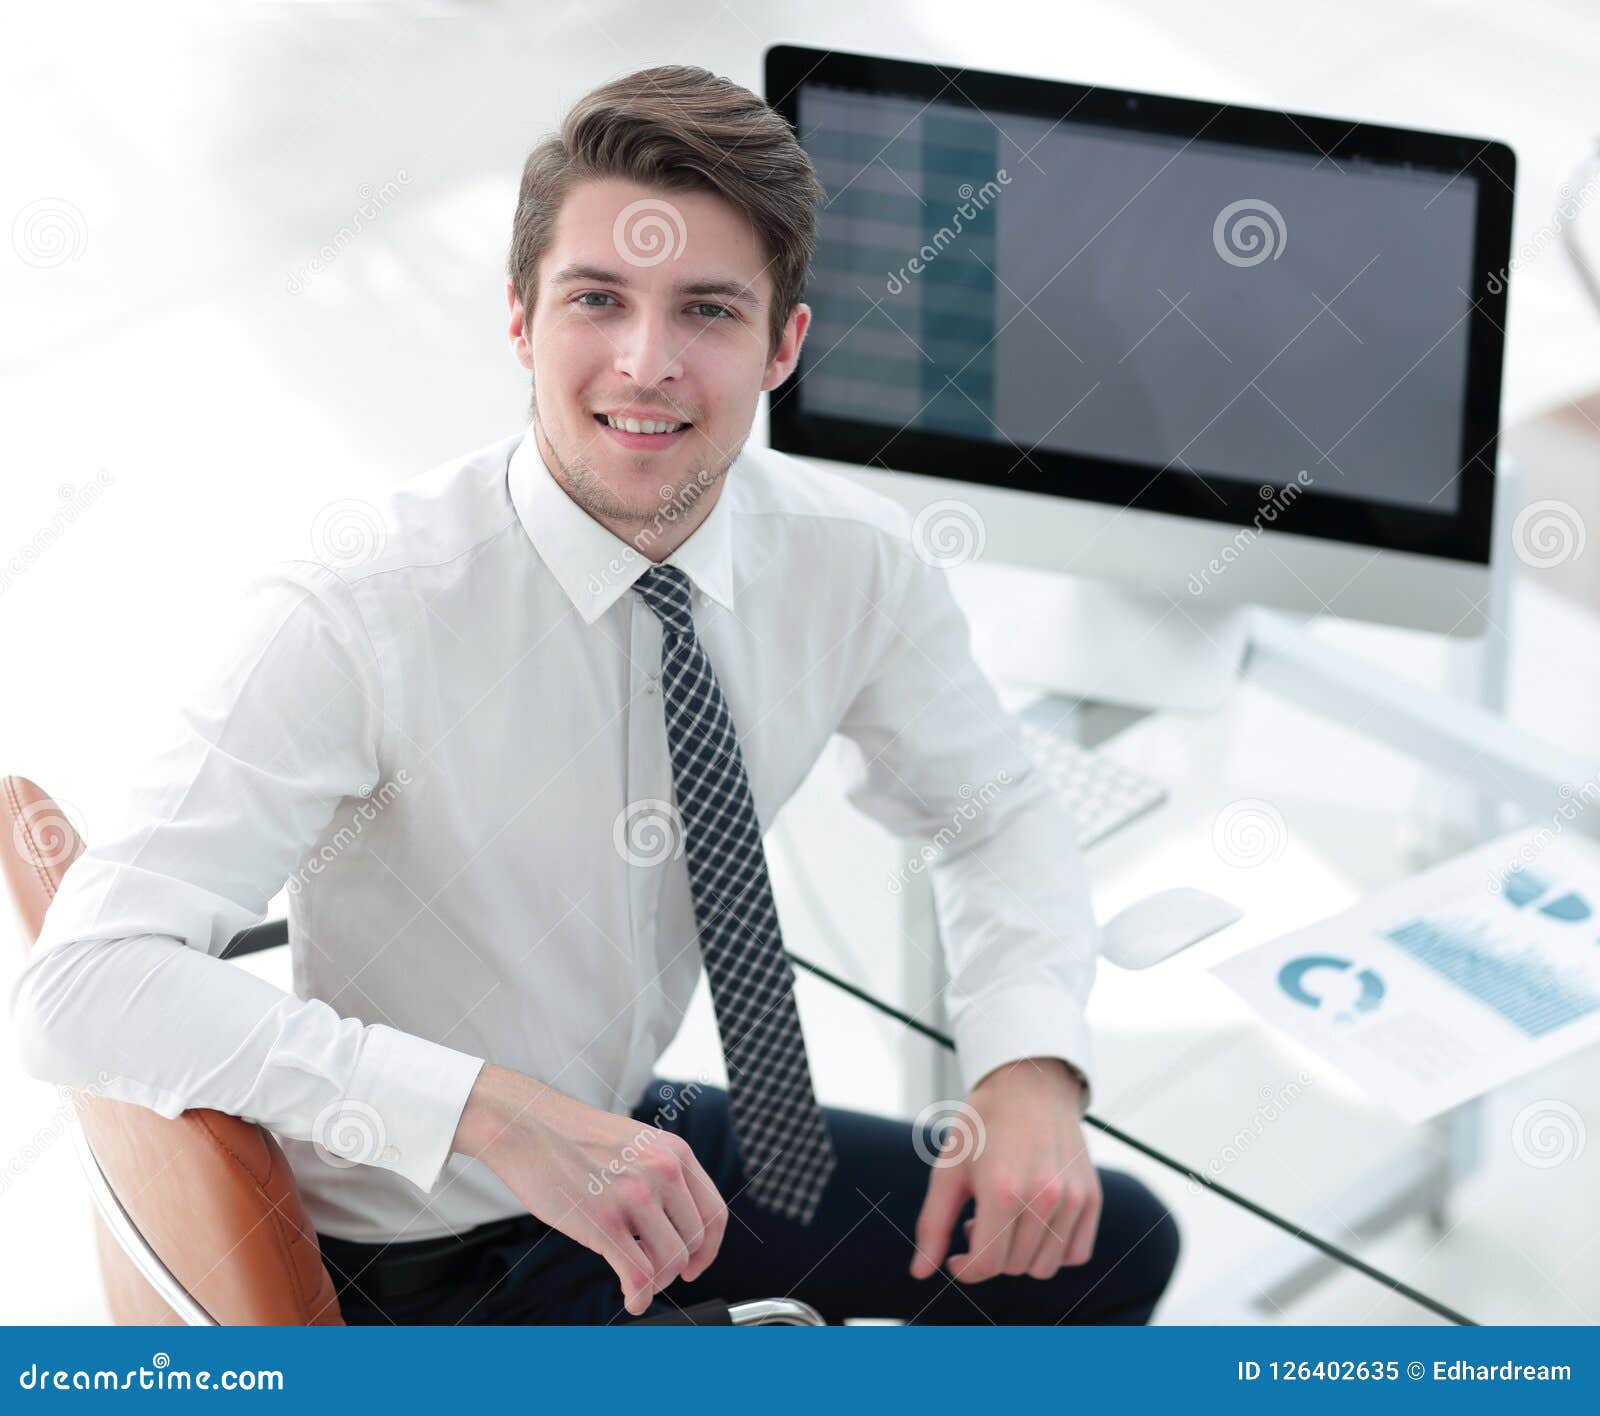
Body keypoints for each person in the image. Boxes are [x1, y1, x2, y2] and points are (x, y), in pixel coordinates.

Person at [12, 64, 1179, 1325]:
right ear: (519, 318)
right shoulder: (360, 611)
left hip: (631, 1151)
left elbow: (995, 811)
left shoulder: (855, 564)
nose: (645, 362)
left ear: (785, 344)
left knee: (1107, 1246)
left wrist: (1028, 1063)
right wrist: (493, 1112)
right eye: (597, 300)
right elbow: (80, 990)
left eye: (709, 313)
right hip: (431, 1261)